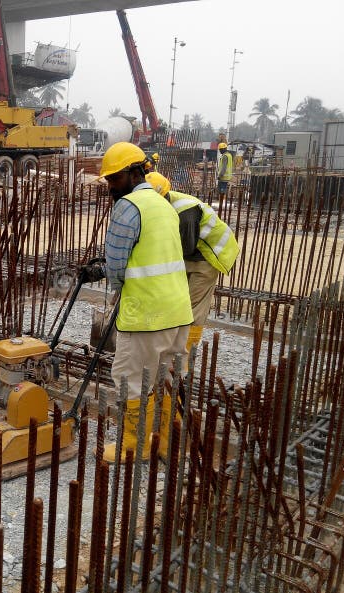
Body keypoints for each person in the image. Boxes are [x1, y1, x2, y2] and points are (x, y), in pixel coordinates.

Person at [94, 142, 193, 462]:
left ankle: (132, 447)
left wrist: (118, 288)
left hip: (146, 314)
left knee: (130, 377)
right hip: (178, 311)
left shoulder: (129, 206)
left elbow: (116, 262)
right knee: (168, 376)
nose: (110, 187)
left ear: (132, 173)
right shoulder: (164, 204)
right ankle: (167, 443)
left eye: (114, 179)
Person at [146, 171, 240, 351]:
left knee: (192, 307)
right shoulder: (165, 205)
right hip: (191, 255)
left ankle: (185, 357)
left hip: (208, 255)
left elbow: (185, 249)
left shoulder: (185, 214)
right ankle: (173, 350)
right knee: (178, 302)